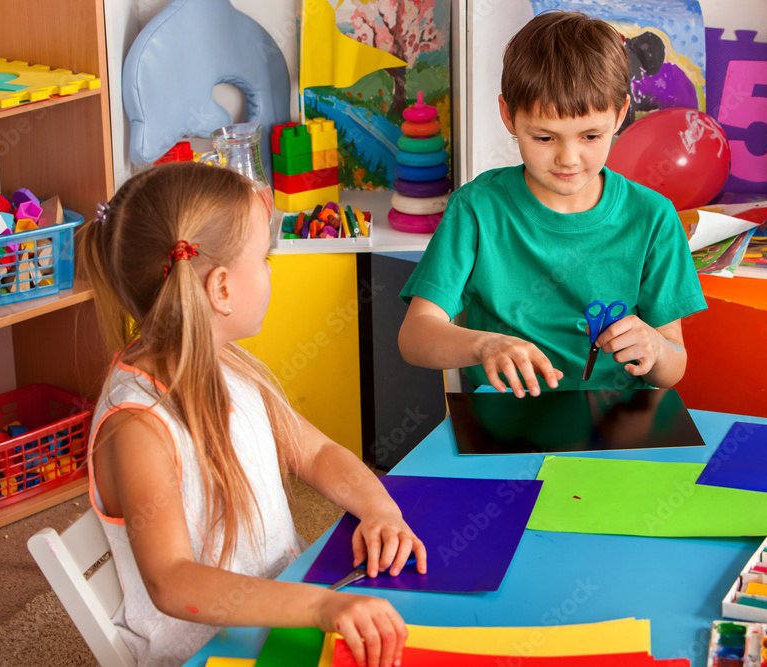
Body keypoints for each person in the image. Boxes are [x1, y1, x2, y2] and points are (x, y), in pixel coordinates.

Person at [79, 162, 424, 667]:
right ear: (220, 289)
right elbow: (171, 580)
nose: (269, 272)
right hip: (212, 652)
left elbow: (318, 452)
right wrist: (321, 605)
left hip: (286, 610)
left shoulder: (228, 364)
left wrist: (380, 510)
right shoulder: (138, 424)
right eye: (265, 259)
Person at [398, 11, 707, 396]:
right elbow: (414, 336)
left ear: (620, 114)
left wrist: (657, 350)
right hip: (507, 419)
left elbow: (673, 366)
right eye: (545, 138)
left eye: (591, 136)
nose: (569, 159)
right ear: (509, 116)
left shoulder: (653, 217)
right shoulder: (476, 209)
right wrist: (482, 345)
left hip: (615, 422)